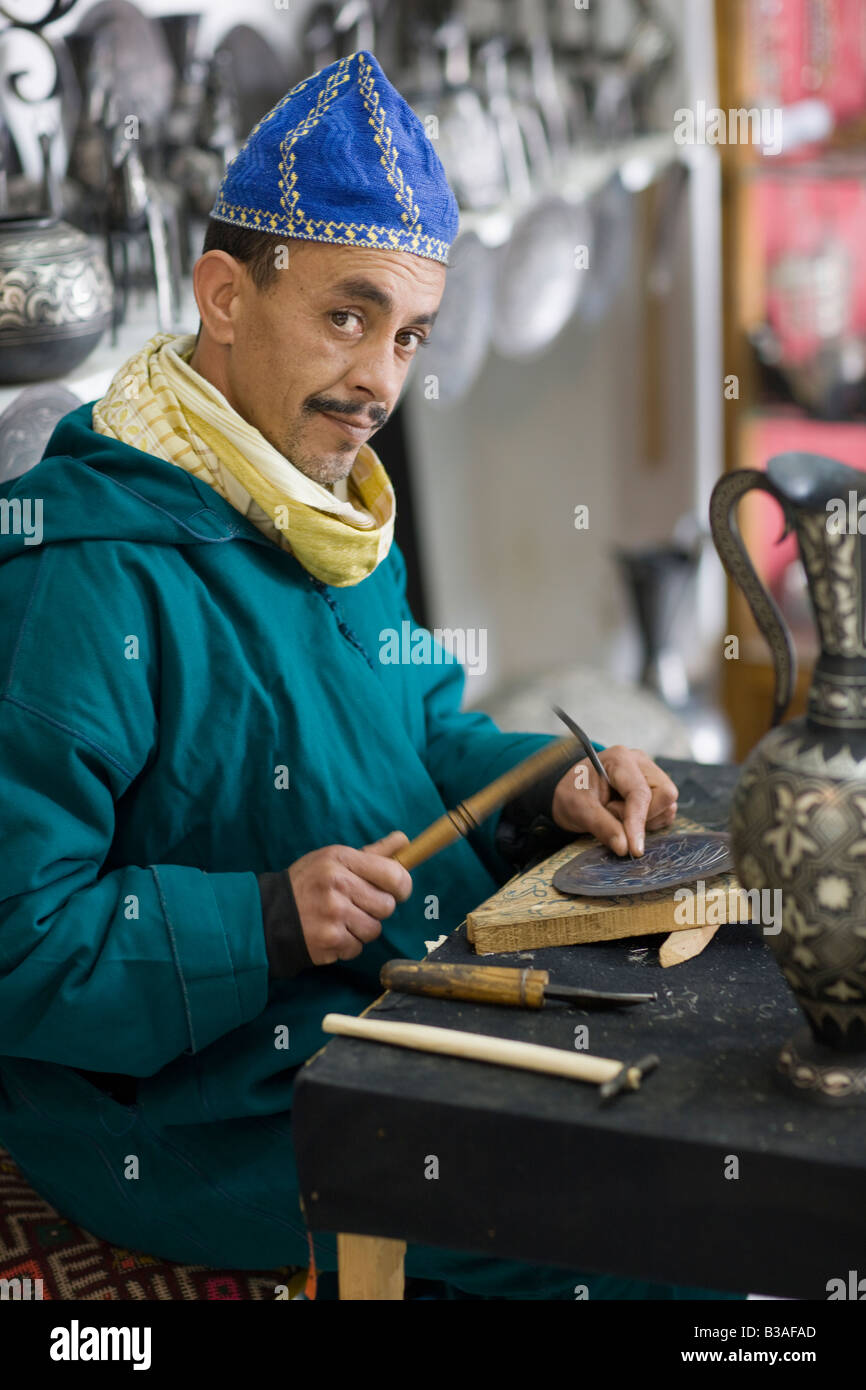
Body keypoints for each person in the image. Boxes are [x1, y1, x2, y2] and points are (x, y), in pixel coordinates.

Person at [0, 50, 714, 1301]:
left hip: (374, 1014)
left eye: (409, 334)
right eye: (347, 315)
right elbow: (20, 946)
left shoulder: (315, 497)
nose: (382, 378)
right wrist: (264, 918)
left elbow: (419, 736)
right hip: (205, 1109)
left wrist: (551, 781)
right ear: (222, 294)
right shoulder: (85, 571)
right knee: (658, 1224)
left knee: (709, 1117)